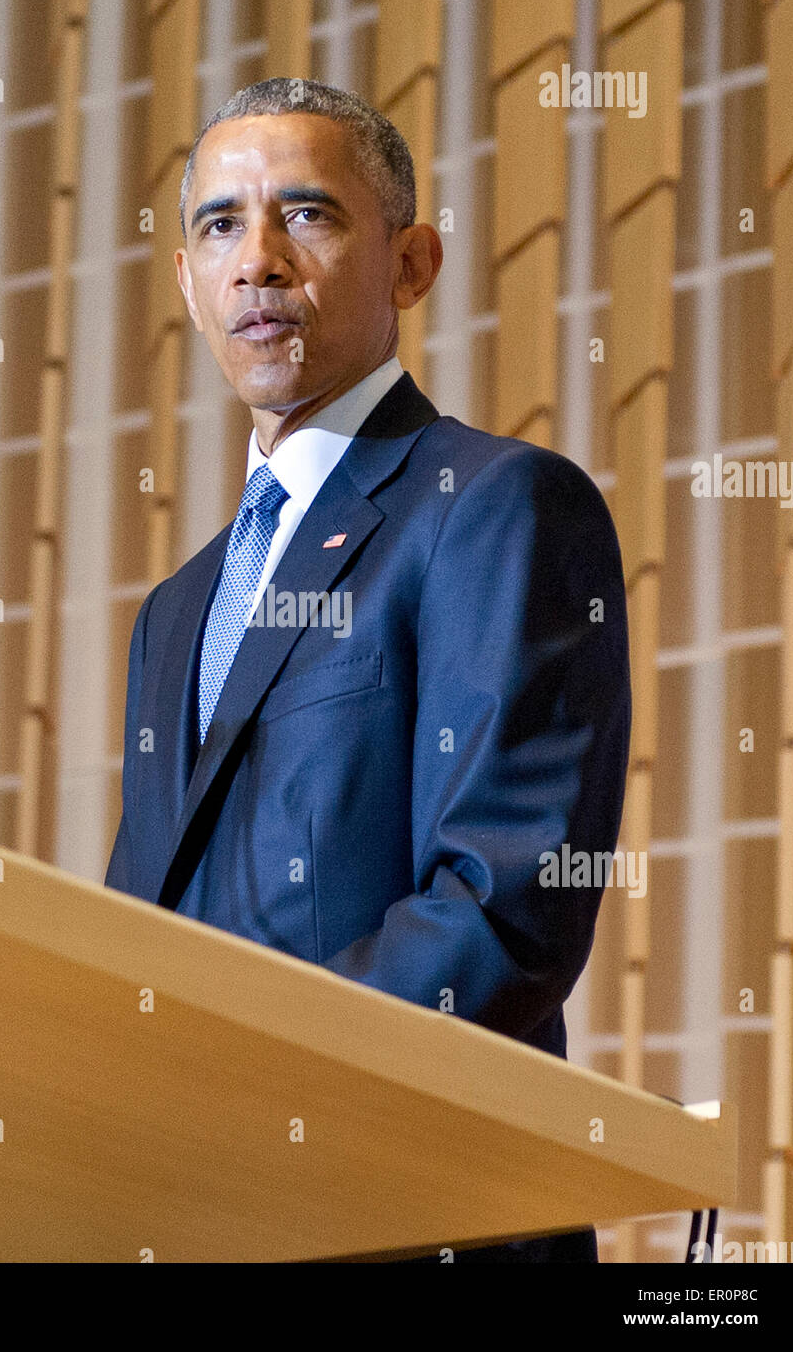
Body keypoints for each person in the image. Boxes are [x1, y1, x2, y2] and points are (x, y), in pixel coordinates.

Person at [105, 78, 631, 1263]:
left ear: (410, 263)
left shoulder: (492, 508)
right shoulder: (176, 609)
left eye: (308, 214)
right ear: (187, 284)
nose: (258, 261)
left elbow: (502, 909)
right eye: (219, 226)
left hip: (415, 1218)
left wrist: (245, 1095)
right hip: (197, 1224)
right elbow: (146, 929)